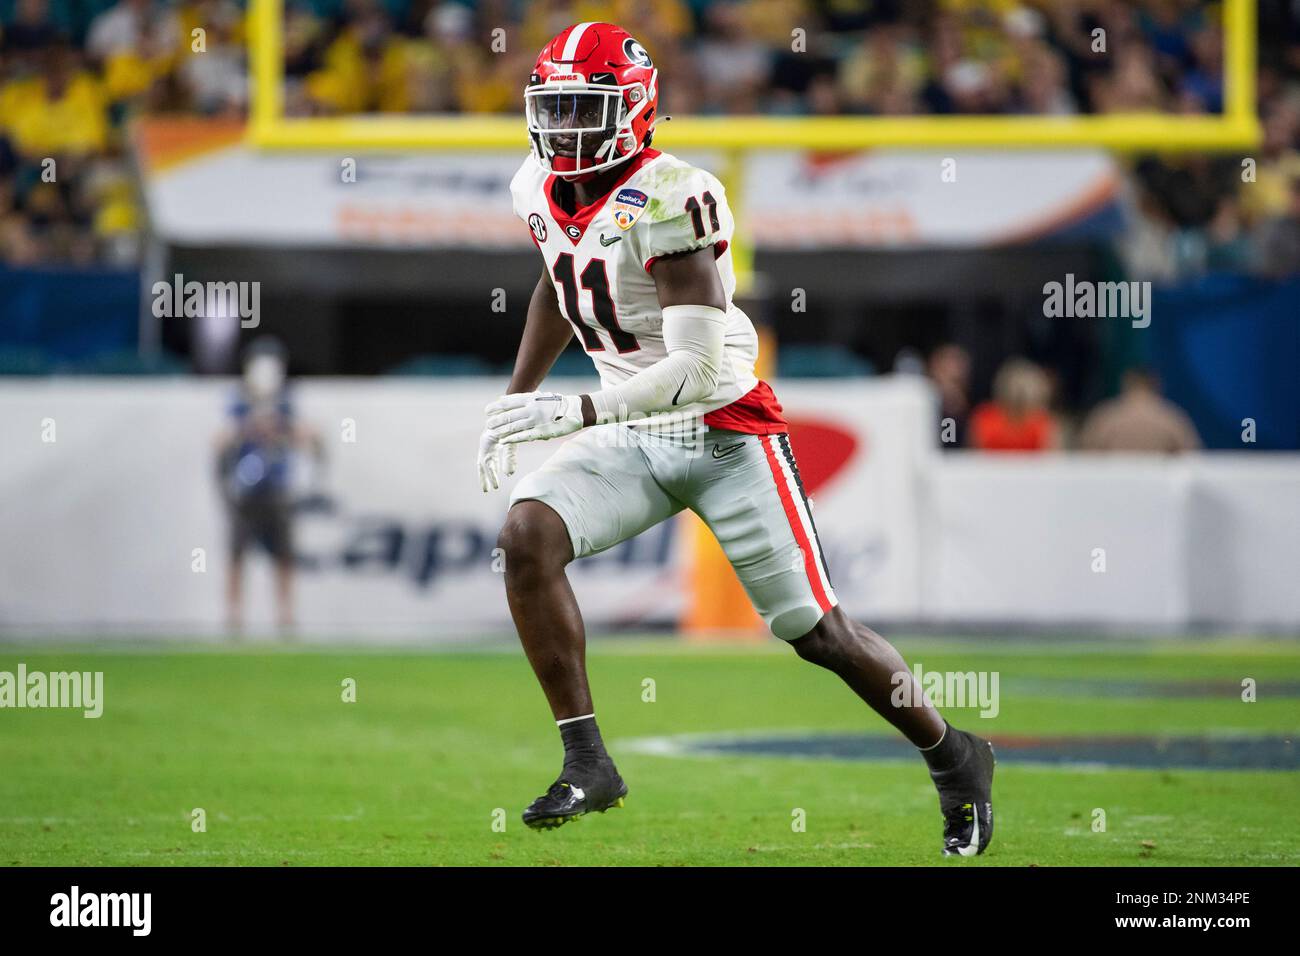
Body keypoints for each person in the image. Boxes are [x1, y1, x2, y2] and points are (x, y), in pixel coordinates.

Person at [477, 22, 995, 856]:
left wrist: (570, 413)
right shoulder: (535, 187)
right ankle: (587, 761)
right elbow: (557, 277)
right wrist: (517, 400)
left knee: (818, 633)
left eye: (585, 108)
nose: (566, 128)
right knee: (527, 535)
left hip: (719, 430)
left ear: (635, 110)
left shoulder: (676, 194)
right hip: (630, 427)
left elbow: (690, 366)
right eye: (556, 108)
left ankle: (954, 756)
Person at [215, 338, 321, 633]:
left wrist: (281, 428)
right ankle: (234, 616)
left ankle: (285, 615)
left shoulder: (286, 401)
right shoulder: (239, 400)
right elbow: (220, 440)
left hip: (277, 488)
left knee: (284, 555)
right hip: (245, 489)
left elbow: (306, 436)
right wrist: (249, 426)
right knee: (237, 554)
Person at [1079, 367, 1202, 453]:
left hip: (1116, 486)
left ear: (1125, 384)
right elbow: (1191, 455)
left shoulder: (1105, 416)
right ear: (1156, 385)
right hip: (1157, 487)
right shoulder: (1171, 417)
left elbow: (1087, 456)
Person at [969, 357, 1056, 452]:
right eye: (1015, 389)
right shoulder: (985, 418)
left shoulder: (1041, 422)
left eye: (1023, 391)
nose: (1018, 396)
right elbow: (973, 455)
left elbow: (1049, 459)